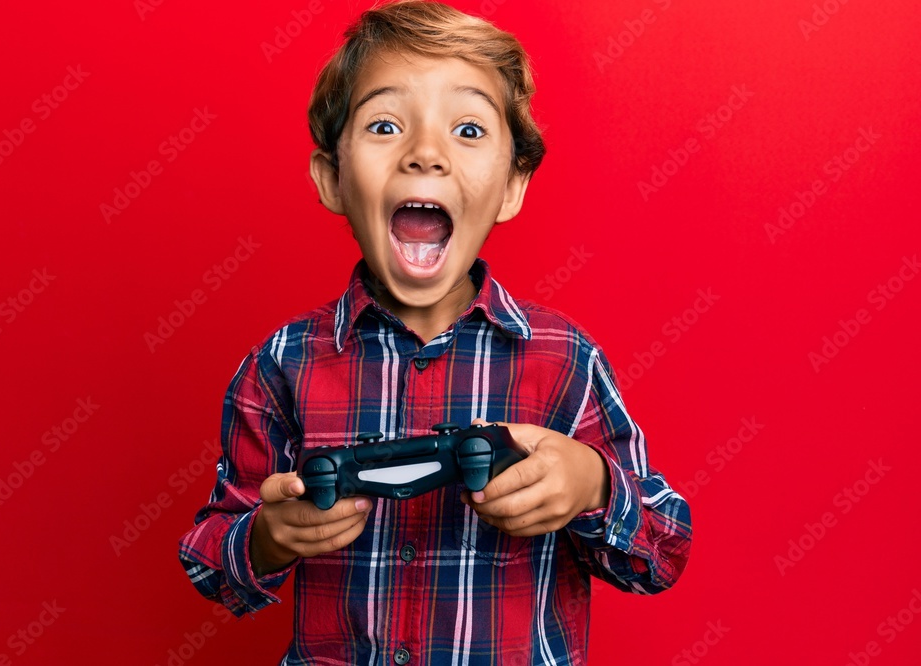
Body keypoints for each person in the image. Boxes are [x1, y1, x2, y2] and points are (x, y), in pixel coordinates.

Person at [178, 1, 692, 663]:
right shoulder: (281, 366)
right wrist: (269, 537)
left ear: (512, 188)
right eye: (386, 124)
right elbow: (208, 568)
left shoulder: (565, 362)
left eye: (469, 129)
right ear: (332, 178)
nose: (426, 153)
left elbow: (664, 552)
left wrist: (592, 484)